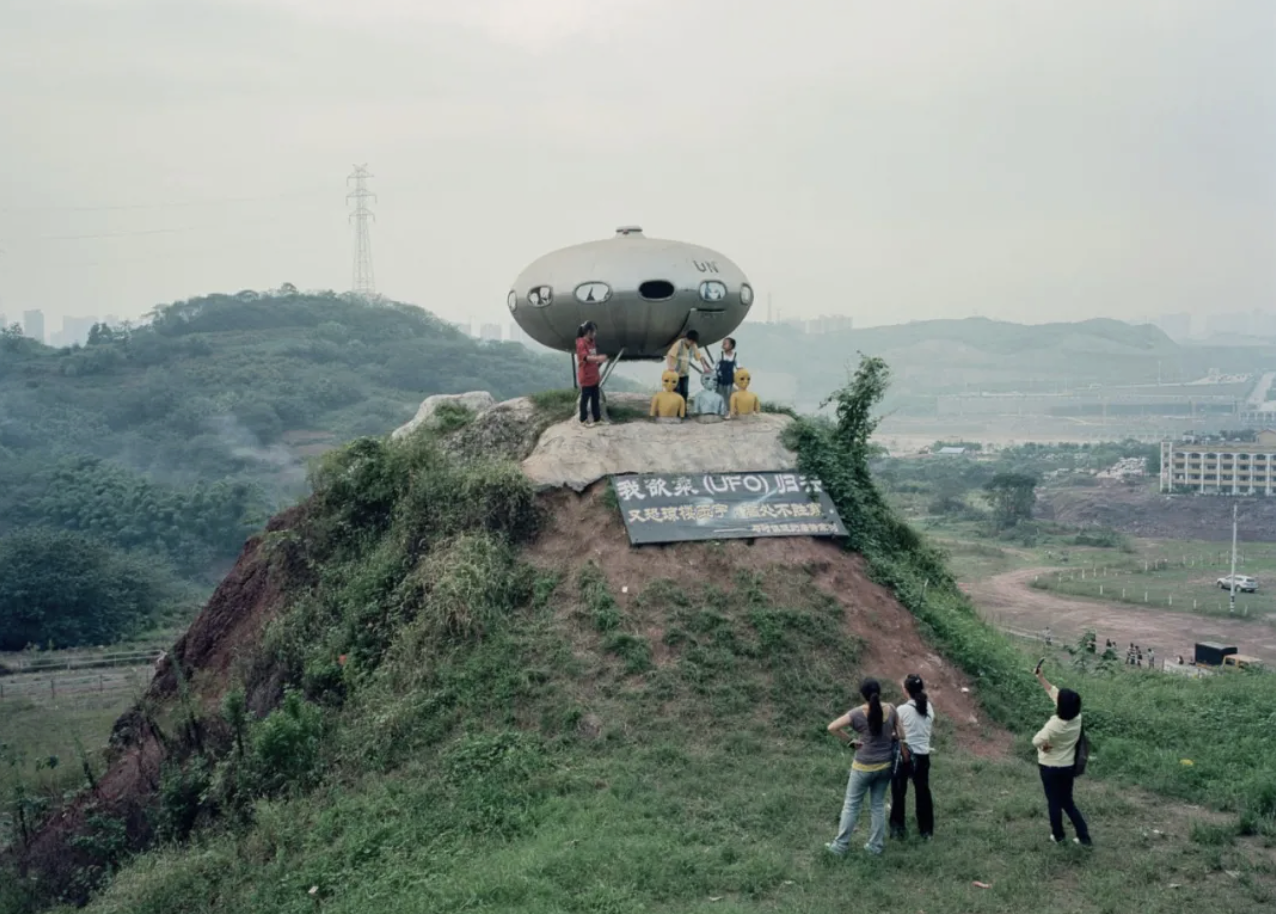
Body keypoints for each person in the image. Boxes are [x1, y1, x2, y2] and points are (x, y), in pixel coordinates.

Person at [825, 678, 905, 856]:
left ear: (862, 694)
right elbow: (901, 734)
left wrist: (851, 742)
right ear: (880, 691)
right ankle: (875, 847)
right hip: (885, 765)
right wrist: (890, 735)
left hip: (863, 765)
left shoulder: (857, 713)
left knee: (851, 805)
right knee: (877, 805)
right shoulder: (891, 709)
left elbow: (832, 727)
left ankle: (840, 846)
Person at [1032, 661, 1092, 847]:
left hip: (1049, 767)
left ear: (1061, 707)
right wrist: (1041, 678)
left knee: (1053, 802)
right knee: (1067, 802)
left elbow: (1036, 740)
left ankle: (1058, 836)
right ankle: (1084, 837)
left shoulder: (1054, 724)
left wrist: (1045, 747)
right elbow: (1054, 693)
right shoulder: (1076, 718)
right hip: (1067, 767)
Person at [890, 673, 935, 840]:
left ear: (905, 690)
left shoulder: (902, 710)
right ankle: (926, 831)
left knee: (899, 792)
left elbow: (895, 733)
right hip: (923, 755)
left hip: (905, 754)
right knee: (923, 792)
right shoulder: (928, 707)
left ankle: (897, 829)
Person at [575, 322, 608, 427]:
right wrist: (599, 358)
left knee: (595, 398)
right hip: (586, 376)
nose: (595, 334)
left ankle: (597, 419)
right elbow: (586, 357)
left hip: (593, 376)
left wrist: (598, 361)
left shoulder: (591, 342)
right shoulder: (581, 343)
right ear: (589, 332)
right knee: (584, 399)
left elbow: (592, 355)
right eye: (594, 332)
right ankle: (583, 420)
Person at [665, 329, 712, 402]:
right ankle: (676, 410)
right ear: (687, 339)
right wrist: (670, 368)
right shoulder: (679, 343)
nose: (692, 343)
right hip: (675, 374)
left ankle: (683, 410)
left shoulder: (693, 345)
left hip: (685, 374)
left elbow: (700, 356)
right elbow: (670, 355)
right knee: (677, 392)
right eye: (691, 341)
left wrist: (704, 367)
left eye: (694, 342)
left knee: (685, 393)